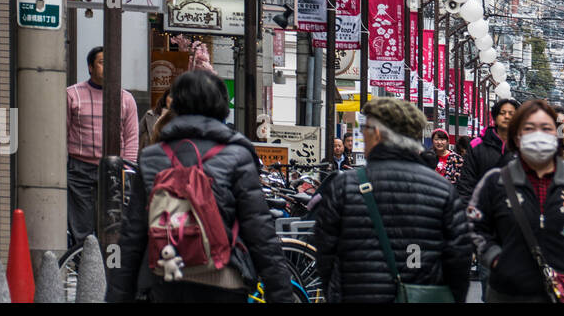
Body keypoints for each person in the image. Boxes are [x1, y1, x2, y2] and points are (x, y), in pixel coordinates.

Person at [108, 68, 294, 302]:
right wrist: (280, 293)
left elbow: (133, 235)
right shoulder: (237, 155)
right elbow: (259, 232)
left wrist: (118, 295)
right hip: (223, 280)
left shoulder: (152, 157)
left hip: (168, 278)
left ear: (176, 103)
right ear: (220, 104)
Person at [312, 98, 471, 302]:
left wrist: (336, 294)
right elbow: (459, 258)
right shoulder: (442, 190)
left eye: (365, 129)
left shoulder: (345, 186)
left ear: (376, 134)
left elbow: (325, 252)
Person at [467, 99, 564, 302]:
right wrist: (496, 259)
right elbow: (475, 225)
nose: (538, 134)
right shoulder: (496, 182)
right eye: (529, 128)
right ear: (517, 136)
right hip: (507, 292)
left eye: (546, 128)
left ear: (557, 134)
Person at [67, 46, 139, 245]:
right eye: (101, 62)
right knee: (81, 225)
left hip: (115, 168)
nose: (107, 67)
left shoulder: (126, 99)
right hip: (79, 167)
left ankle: (111, 271)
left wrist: (127, 169)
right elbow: (62, 132)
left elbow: (132, 137)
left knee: (114, 226)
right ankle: (84, 269)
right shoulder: (72, 95)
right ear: (90, 67)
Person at [455, 98, 518, 204]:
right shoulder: (477, 145)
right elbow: (466, 183)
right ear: (495, 117)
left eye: (511, 113)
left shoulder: (523, 147)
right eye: (502, 113)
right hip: (482, 211)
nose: (507, 116)